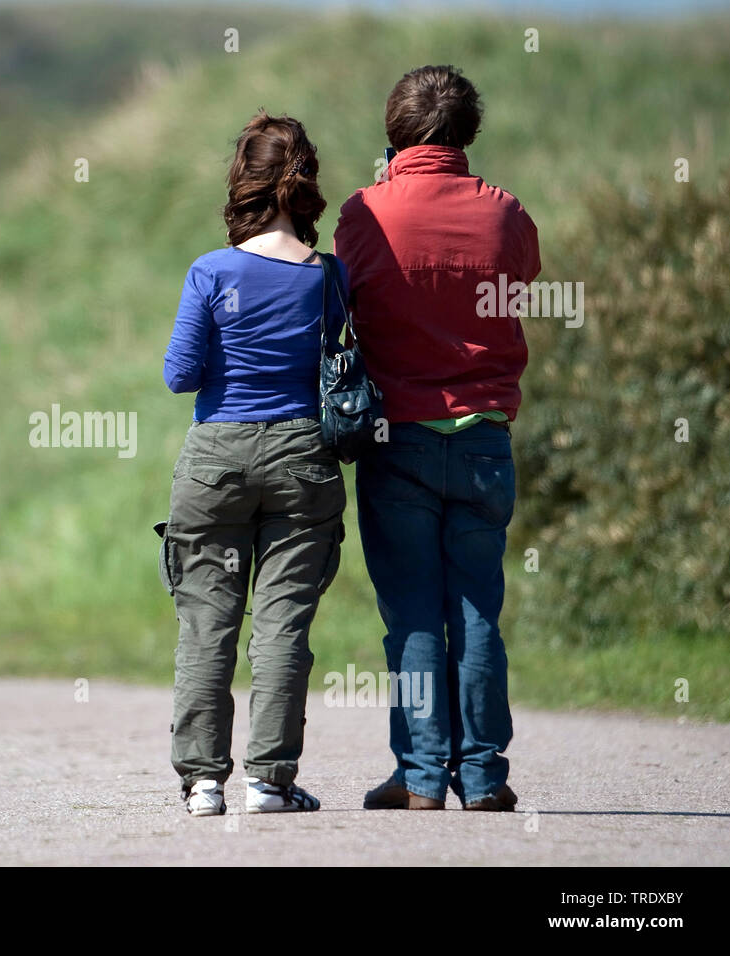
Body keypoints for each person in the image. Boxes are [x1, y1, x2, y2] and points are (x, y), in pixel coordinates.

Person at [333, 65, 541, 811]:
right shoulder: (506, 213)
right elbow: (518, 285)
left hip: (398, 440)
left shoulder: (363, 213)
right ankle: (484, 775)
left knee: (414, 614)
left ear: (394, 132)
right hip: (484, 439)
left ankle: (422, 775)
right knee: (478, 612)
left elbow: (346, 297)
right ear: (468, 131)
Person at [162, 110, 347, 816]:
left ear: (243, 181)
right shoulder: (330, 277)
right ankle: (270, 780)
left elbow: (181, 375)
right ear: (306, 185)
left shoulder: (211, 271)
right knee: (283, 625)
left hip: (217, 457)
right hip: (305, 455)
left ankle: (203, 782)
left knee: (208, 621)